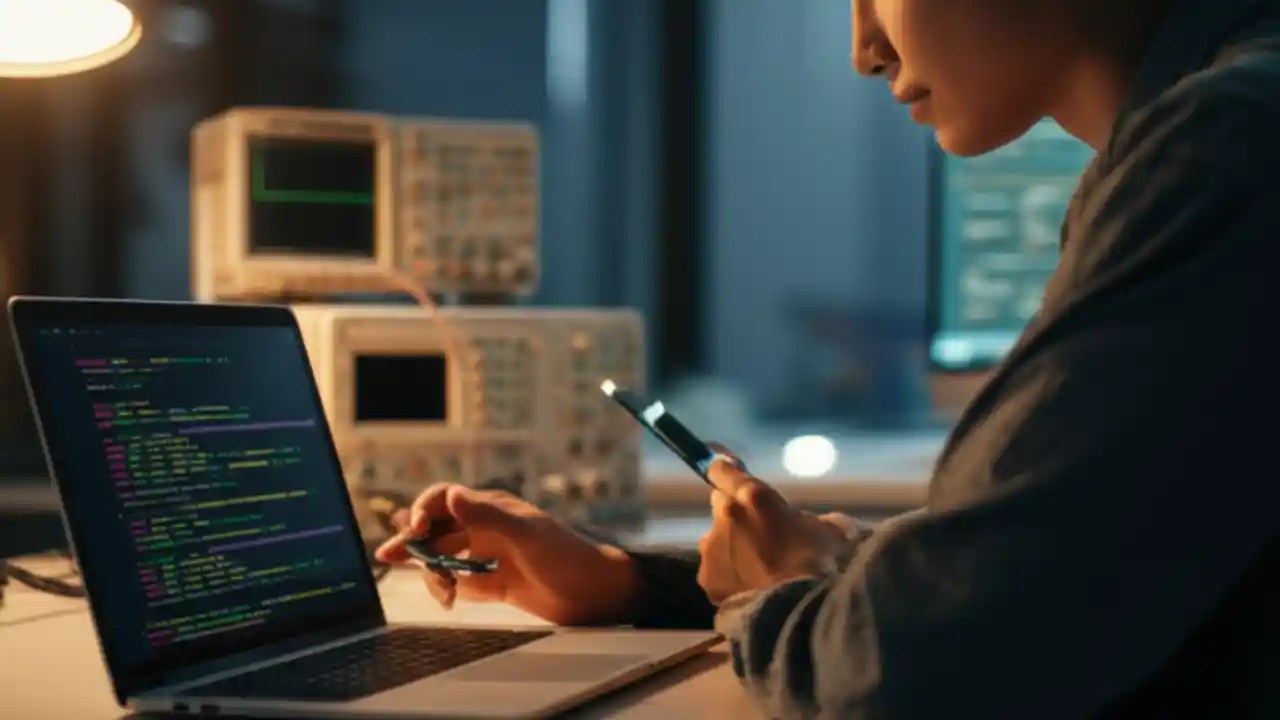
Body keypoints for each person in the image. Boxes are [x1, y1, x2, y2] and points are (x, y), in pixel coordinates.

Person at [378, 0, 1280, 715]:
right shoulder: (1202, 134)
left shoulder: (1222, 150)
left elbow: (922, 665)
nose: (864, 48)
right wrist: (630, 584)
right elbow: (1047, 568)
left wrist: (780, 597)